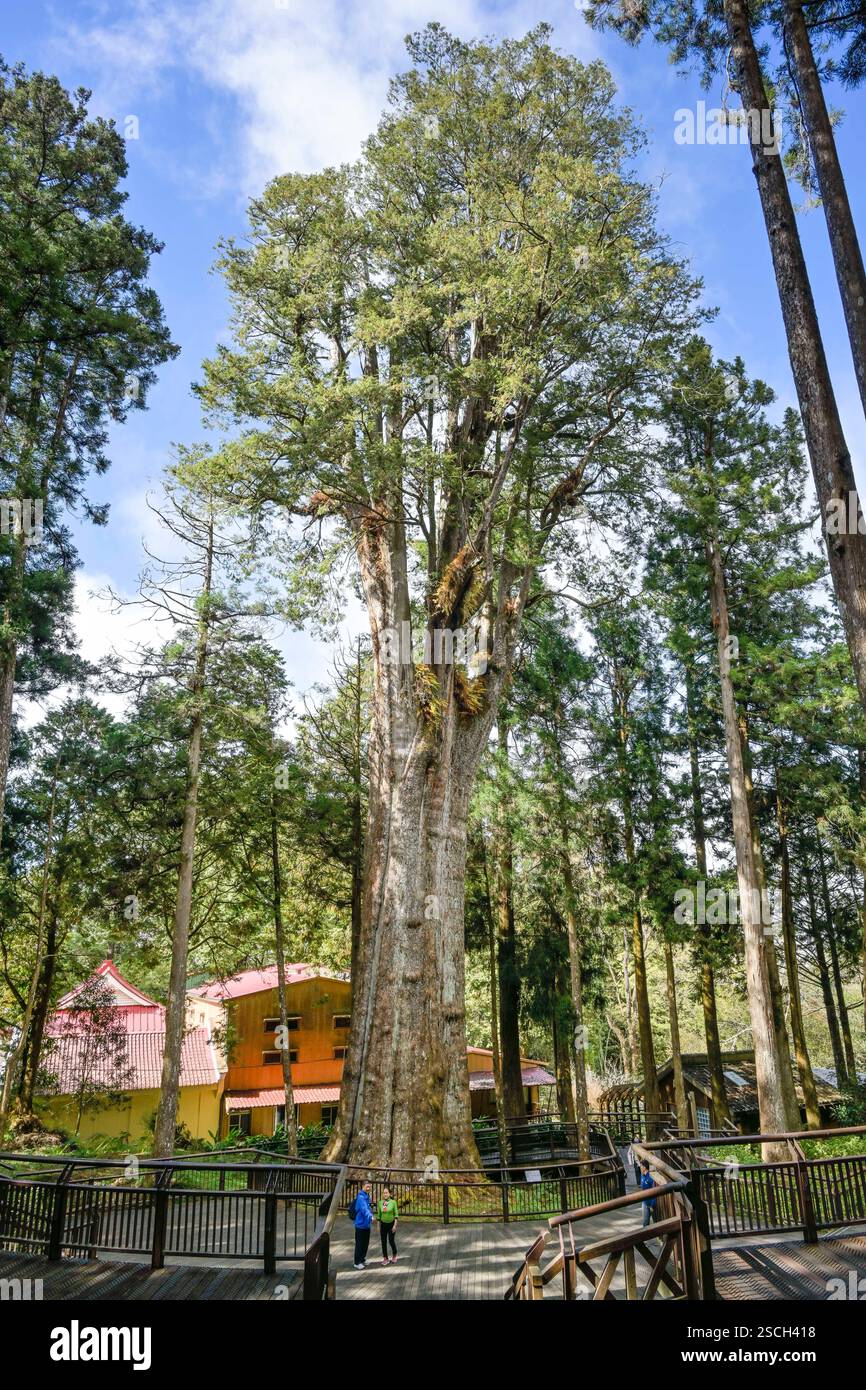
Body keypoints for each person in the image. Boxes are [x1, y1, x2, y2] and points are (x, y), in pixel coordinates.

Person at [353, 1180, 374, 1268]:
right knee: (359, 1244)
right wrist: (371, 1217)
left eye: (369, 1187)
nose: (368, 1188)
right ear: (363, 1186)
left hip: (366, 1225)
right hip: (360, 1225)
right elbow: (364, 1210)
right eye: (367, 1186)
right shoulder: (361, 1197)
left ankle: (362, 1259)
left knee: (365, 1244)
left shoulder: (367, 1196)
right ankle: (357, 1262)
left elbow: (368, 1209)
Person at [377, 1185, 398, 1264]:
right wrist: (378, 1225)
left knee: (391, 1240)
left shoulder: (393, 1202)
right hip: (383, 1224)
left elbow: (396, 1215)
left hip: (391, 1224)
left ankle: (394, 1255)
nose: (385, 1194)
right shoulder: (380, 1203)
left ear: (390, 1194)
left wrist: (395, 1225)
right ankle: (385, 1258)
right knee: (383, 1241)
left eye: (386, 1193)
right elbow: (379, 1216)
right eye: (384, 1193)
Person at [639, 1158, 657, 1228]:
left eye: (641, 1166)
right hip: (644, 1202)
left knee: (656, 1222)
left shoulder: (650, 1177)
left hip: (651, 1203)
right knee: (645, 1223)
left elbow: (654, 1190)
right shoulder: (642, 1176)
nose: (640, 1168)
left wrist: (653, 1204)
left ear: (644, 1167)